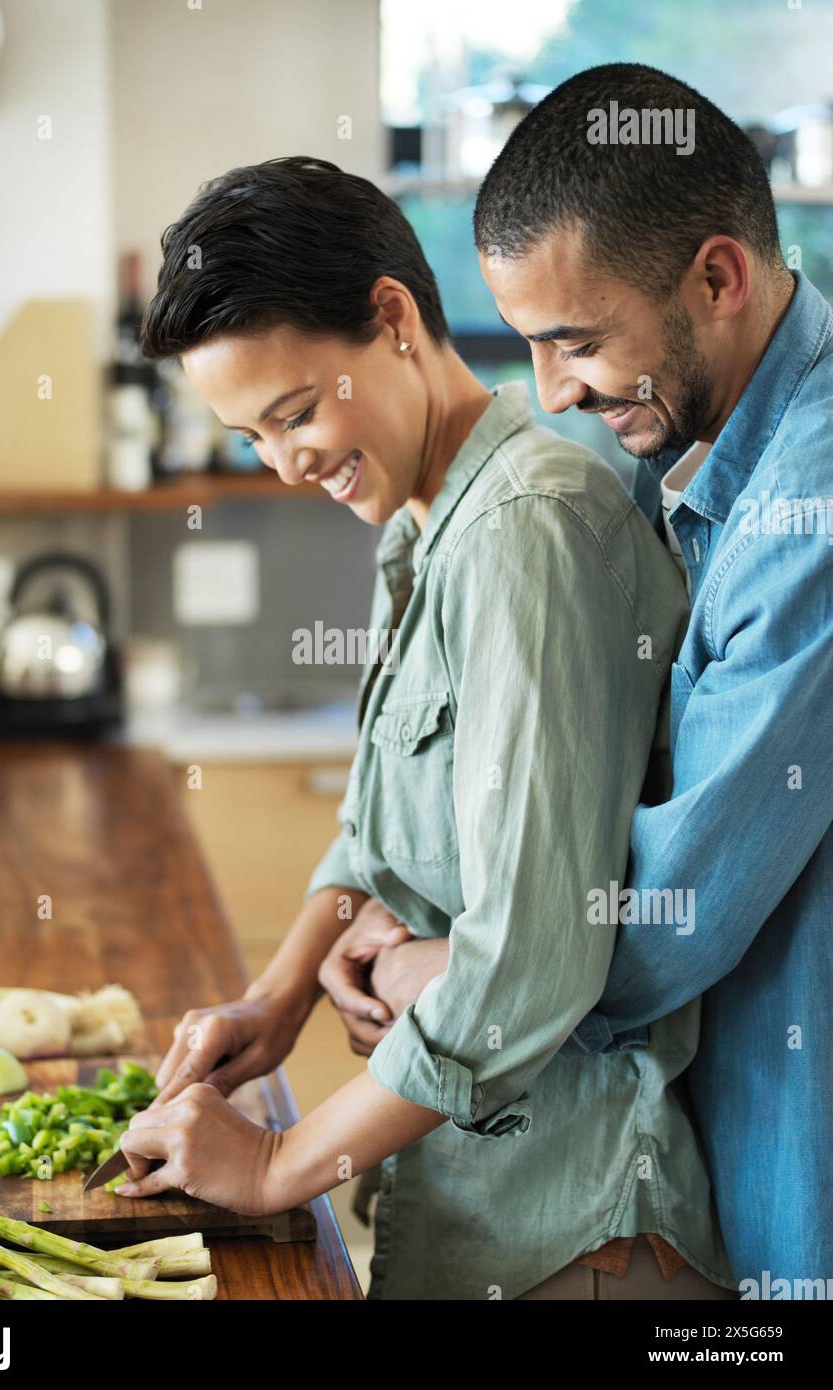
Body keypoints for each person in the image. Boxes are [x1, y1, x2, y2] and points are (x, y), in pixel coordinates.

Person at [117, 155, 738, 1301]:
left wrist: (270, 1164)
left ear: (392, 318)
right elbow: (372, 830)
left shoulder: (526, 527)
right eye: (251, 434)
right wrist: (279, 996)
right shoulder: (420, 522)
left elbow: (526, 961)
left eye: (295, 411)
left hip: (572, 1229)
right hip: (471, 1213)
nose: (285, 461)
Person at [342, 62, 833, 1293]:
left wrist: (434, 968)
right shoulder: (709, 460)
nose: (553, 388)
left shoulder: (808, 511)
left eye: (577, 339)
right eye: (529, 345)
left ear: (715, 278)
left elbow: (673, 912)